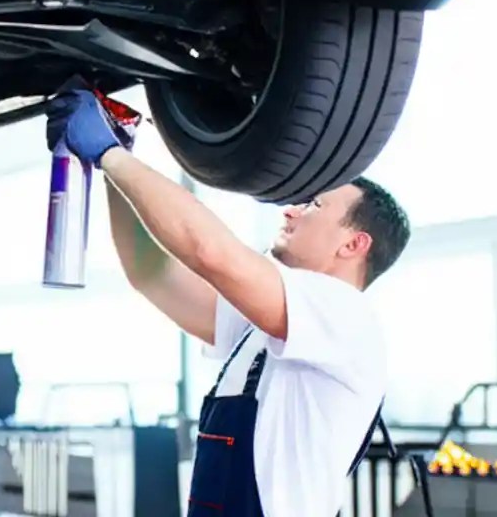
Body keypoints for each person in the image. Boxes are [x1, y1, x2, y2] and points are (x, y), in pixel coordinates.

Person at [45, 87, 411, 517]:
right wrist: (113, 166)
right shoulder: (265, 328)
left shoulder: (347, 317)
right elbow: (152, 272)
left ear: (354, 243)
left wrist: (110, 153)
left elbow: (210, 252)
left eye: (313, 204)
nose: (290, 210)